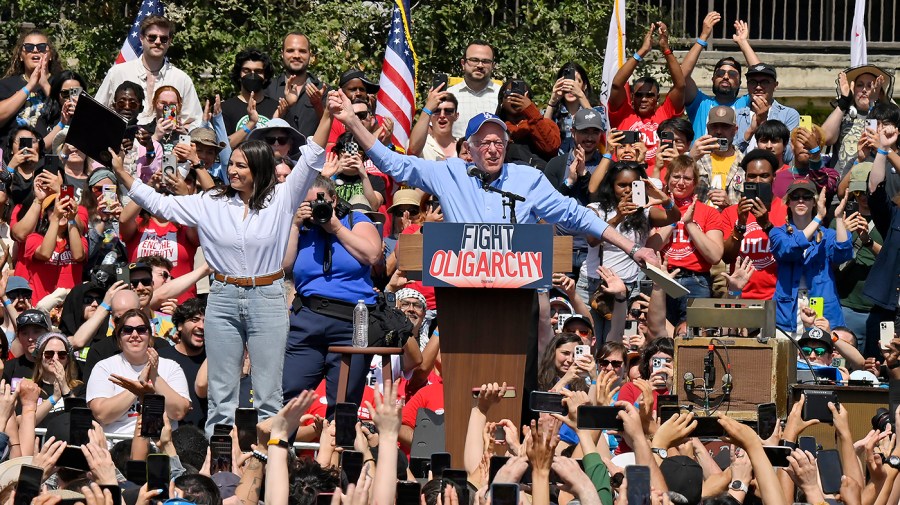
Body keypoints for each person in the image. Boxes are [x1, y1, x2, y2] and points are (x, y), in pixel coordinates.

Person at [109, 95, 333, 434]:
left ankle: (266, 459)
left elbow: (313, 154)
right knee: (221, 395)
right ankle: (220, 460)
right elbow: (160, 204)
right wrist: (124, 175)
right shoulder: (210, 201)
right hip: (223, 297)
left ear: (259, 168)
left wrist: (328, 113)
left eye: (241, 165)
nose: (232, 170)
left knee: (268, 394)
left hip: (267, 296)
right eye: (232, 165)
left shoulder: (283, 197)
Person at [330, 91, 659, 268]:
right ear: (470, 148)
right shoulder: (449, 172)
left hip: (516, 292)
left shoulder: (528, 179)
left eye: (499, 142)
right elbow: (394, 164)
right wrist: (353, 123)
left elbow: (578, 215)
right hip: (462, 289)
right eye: (485, 143)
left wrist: (633, 248)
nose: (492, 149)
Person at [281, 176, 383, 412]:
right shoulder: (300, 227)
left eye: (320, 201)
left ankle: (338, 437)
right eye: (307, 203)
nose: (314, 208)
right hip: (307, 320)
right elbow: (284, 266)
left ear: (334, 200)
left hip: (351, 321)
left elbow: (372, 255)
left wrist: (335, 227)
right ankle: (284, 437)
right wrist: (294, 226)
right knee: (289, 395)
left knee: (344, 403)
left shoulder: (354, 220)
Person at [85, 309, 190, 435]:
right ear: (119, 337)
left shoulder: (171, 367)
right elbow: (101, 415)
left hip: (160, 441)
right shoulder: (104, 367)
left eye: (141, 329)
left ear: (149, 336)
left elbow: (178, 412)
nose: (134, 334)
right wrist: (136, 388)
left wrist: (154, 376)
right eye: (128, 330)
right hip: (117, 441)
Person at [770, 180, 853, 335]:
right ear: (788, 202)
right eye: (795, 197)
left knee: (821, 350)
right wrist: (818, 217)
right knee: (786, 350)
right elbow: (789, 249)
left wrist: (838, 218)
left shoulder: (827, 235)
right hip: (788, 310)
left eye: (807, 196)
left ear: (814, 202)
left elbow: (843, 254)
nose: (801, 200)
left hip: (823, 310)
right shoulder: (778, 233)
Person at [653, 155, 727, 325]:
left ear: (695, 183)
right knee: (659, 335)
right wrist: (673, 220)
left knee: (693, 338)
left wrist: (689, 224)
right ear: (667, 179)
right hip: (662, 278)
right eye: (676, 176)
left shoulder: (709, 212)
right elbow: (649, 248)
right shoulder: (655, 210)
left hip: (696, 282)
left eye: (687, 178)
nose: (681, 182)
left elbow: (715, 256)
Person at [95, 15, 203, 125]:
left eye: (163, 39)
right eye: (152, 37)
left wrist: (182, 129)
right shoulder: (117, 73)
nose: (158, 42)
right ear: (141, 38)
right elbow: (95, 112)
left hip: (167, 136)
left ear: (169, 41)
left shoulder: (181, 79)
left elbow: (195, 121)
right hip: (124, 135)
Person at [608, 22, 685, 168]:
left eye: (649, 95)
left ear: (657, 99)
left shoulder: (665, 114)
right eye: (639, 95)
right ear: (632, 97)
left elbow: (680, 86)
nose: (643, 99)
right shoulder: (623, 114)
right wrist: (643, 51)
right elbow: (617, 84)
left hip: (659, 179)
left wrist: (666, 49)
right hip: (626, 177)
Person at [721, 149, 787, 300]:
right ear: (745, 177)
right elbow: (727, 258)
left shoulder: (787, 210)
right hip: (739, 295)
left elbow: (789, 253)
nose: (757, 181)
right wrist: (740, 224)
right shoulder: (730, 212)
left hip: (777, 297)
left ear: (774, 177)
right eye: (752, 176)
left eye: (764, 176)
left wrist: (766, 224)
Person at [16, 192, 87, 305]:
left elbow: (78, 256)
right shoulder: (34, 239)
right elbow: (45, 254)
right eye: (53, 209)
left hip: (70, 308)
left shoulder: (79, 239)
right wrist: (55, 219)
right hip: (41, 306)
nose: (61, 212)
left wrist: (72, 220)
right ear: (45, 215)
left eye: (66, 208)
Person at [0, 28, 62, 142]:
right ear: (21, 56)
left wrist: (45, 85)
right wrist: (29, 86)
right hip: (12, 152)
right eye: (29, 47)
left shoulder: (62, 83)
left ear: (50, 55)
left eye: (41, 47)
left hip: (50, 152)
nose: (35, 50)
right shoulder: (5, 85)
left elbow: (71, 117)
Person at [265, 32, 326, 138]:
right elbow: (261, 129)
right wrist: (284, 108)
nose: (296, 55)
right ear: (282, 54)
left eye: (302, 51)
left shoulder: (324, 90)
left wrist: (318, 105)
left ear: (310, 55)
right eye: (290, 51)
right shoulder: (267, 89)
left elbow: (332, 130)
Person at [157, 297, 207, 428]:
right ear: (179, 325)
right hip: (170, 432)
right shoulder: (161, 358)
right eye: (194, 320)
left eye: (206, 321)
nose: (201, 326)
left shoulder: (214, 359)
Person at [495, 79, 560, 164]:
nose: (516, 98)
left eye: (521, 94)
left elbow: (551, 148)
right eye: (510, 93)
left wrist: (530, 110)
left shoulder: (546, 123)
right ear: (501, 101)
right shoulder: (495, 127)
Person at [222, 47, 278, 144]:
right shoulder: (225, 108)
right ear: (239, 75)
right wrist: (250, 124)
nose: (252, 75)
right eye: (247, 71)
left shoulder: (276, 108)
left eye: (258, 71)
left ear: (265, 77)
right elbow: (222, 147)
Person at [447, 40, 501, 139]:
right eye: (474, 60)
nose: (480, 65)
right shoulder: (448, 95)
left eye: (485, 61)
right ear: (463, 63)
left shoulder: (502, 96)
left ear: (493, 66)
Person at [693, 105, 744, 210]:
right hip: (698, 218)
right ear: (708, 128)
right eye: (714, 126)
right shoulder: (696, 159)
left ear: (735, 130)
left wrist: (729, 206)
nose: (719, 131)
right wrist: (690, 159)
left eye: (725, 126)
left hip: (730, 219)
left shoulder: (745, 164)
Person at [544, 62, 599, 155]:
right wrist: (552, 102)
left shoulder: (596, 110)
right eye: (567, 81)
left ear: (584, 86)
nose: (571, 86)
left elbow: (599, 126)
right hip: (558, 162)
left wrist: (580, 95)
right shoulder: (553, 112)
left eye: (577, 81)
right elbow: (542, 133)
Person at [30, 332, 84, 426]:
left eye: (62, 354)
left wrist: (65, 387)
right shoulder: (30, 389)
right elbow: (23, 422)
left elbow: (80, 420)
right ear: (40, 357)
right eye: (49, 354)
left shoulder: (80, 388)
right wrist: (54, 398)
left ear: (67, 359)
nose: (55, 358)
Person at [407, 88, 458, 161]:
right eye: (436, 111)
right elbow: (413, 151)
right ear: (430, 115)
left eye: (448, 111)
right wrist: (428, 108)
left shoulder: (465, 146)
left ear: (456, 116)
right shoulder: (423, 145)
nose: (442, 115)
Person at [3, 309, 52, 383]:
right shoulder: (8, 368)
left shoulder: (60, 364)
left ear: (47, 333)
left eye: (36, 332)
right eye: (24, 333)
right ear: (18, 337)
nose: (30, 338)